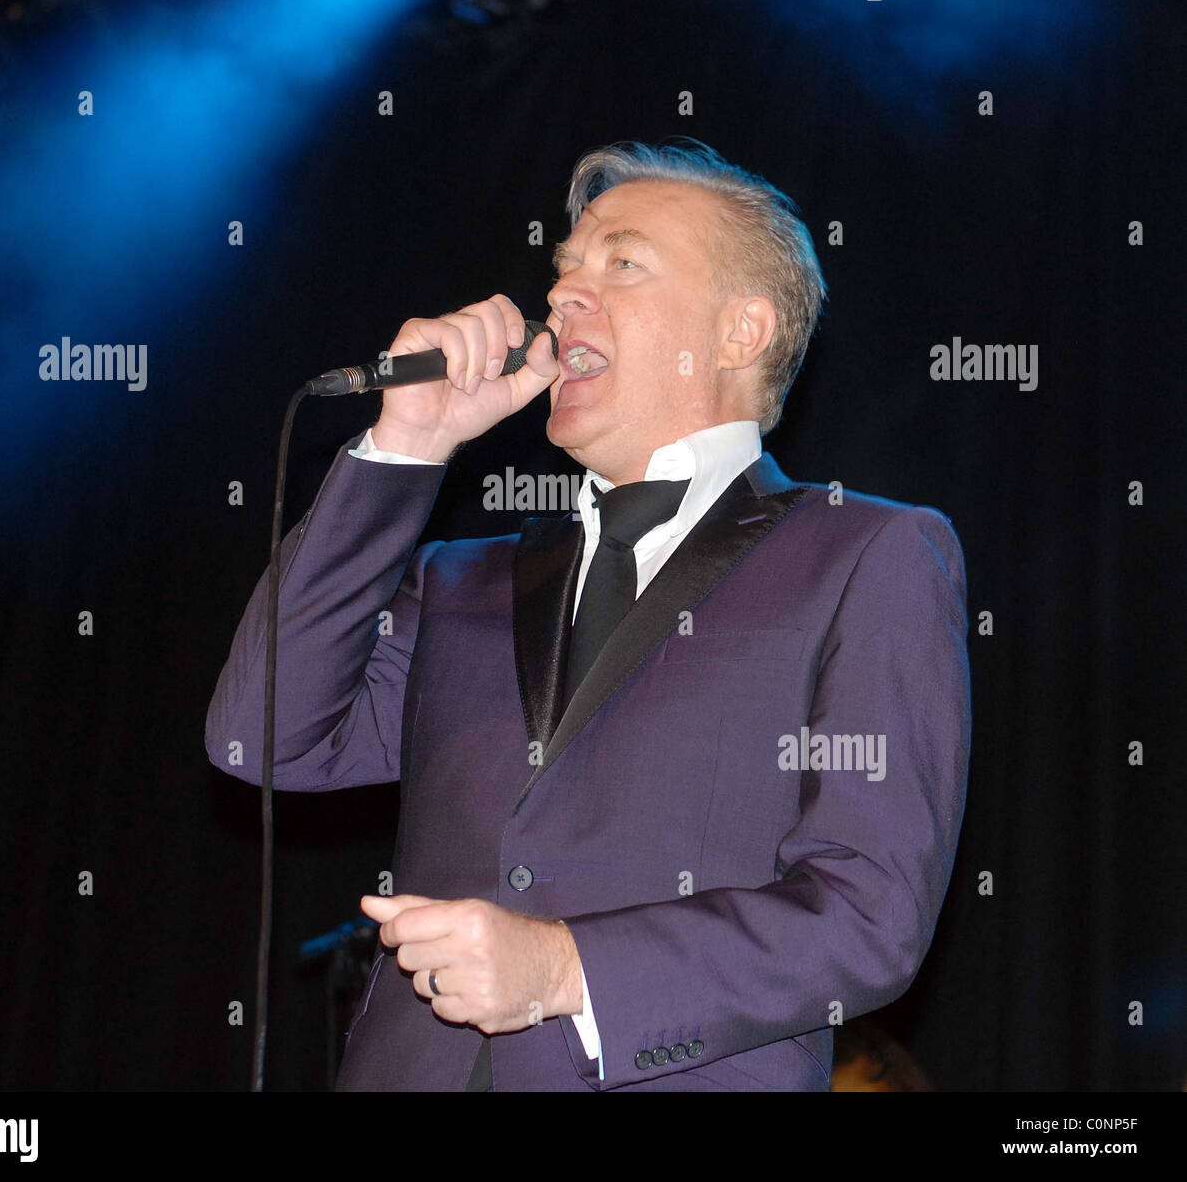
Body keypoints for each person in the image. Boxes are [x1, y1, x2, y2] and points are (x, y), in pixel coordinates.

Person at [205, 138, 972, 1091]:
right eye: (565, 268)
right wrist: (407, 445)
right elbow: (263, 740)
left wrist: (568, 968)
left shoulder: (862, 552)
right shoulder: (463, 579)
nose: (565, 293)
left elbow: (870, 913)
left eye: (621, 262)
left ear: (741, 331)